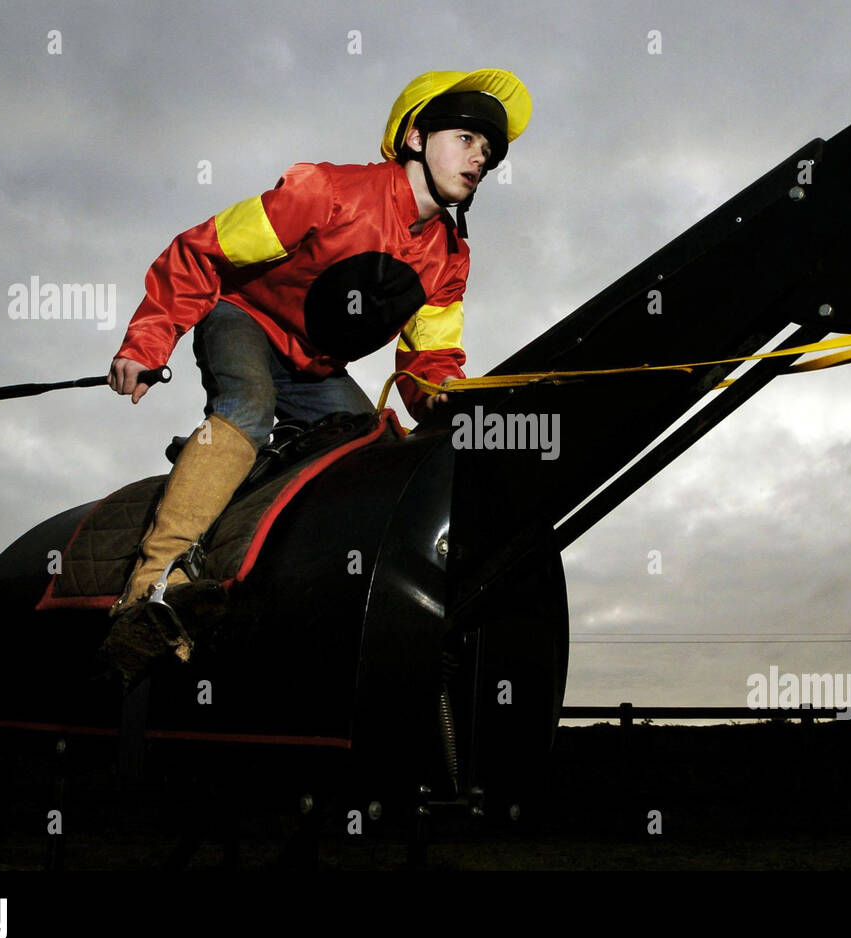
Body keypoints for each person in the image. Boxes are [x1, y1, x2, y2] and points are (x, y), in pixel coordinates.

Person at [99, 69, 531, 676]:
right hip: (243, 316)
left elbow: (428, 363)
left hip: (313, 366)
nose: (479, 159)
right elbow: (202, 250)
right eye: (465, 139)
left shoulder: (450, 259)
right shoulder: (325, 191)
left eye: (488, 153)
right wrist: (149, 339)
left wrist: (447, 399)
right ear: (414, 136)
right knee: (247, 407)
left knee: (375, 452)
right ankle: (151, 590)